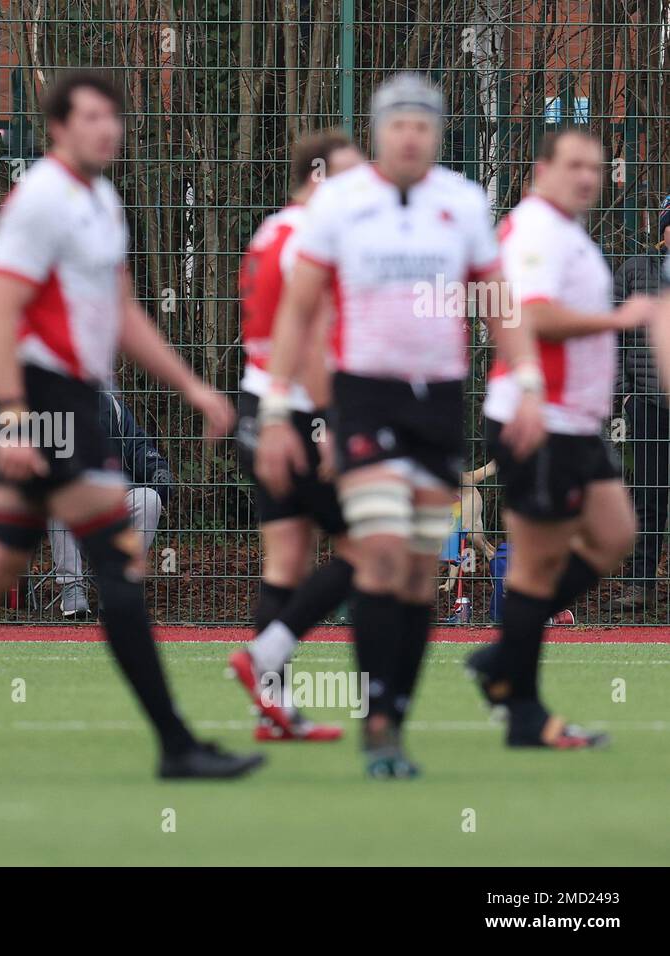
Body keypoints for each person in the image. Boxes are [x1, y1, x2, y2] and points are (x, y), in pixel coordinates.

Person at [0, 70, 265, 781]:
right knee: (117, 559)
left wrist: (194, 388)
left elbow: (123, 315)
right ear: (58, 128)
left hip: (76, 398)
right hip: (50, 400)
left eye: (113, 116)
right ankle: (177, 745)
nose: (106, 128)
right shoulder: (41, 200)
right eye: (90, 117)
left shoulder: (103, 201)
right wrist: (18, 417)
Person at [255, 73, 546, 777]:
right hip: (364, 399)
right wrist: (273, 410)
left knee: (420, 571)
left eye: (423, 123)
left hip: (438, 401)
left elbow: (497, 301)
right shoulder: (343, 205)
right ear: (379, 132)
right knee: (378, 548)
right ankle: (377, 723)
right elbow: (297, 310)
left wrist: (529, 381)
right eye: (398, 123)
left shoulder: (462, 202)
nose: (410, 134)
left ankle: (395, 711)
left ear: (438, 133)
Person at [469, 129, 654, 747]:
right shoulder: (534, 230)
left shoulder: (568, 232)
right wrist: (619, 318)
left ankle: (501, 658)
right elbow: (530, 312)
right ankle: (523, 711)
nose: (586, 177)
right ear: (541, 169)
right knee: (538, 563)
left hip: (577, 421)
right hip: (536, 417)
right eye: (573, 165)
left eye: (595, 168)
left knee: (615, 533)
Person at [229, 129, 363, 743]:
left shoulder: (269, 232)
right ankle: (265, 664)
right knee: (372, 550)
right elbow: (308, 338)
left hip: (259, 403)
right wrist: (331, 422)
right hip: (298, 412)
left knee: (285, 560)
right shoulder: (311, 239)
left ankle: (273, 706)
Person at [47, 390, 173, 619]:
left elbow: (138, 445)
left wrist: (157, 468)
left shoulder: (109, 404)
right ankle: (71, 587)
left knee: (149, 498)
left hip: (111, 501)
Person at [610, 195, 670, 613]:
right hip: (648, 401)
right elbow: (610, 337)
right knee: (649, 496)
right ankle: (641, 586)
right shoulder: (635, 270)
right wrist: (625, 393)